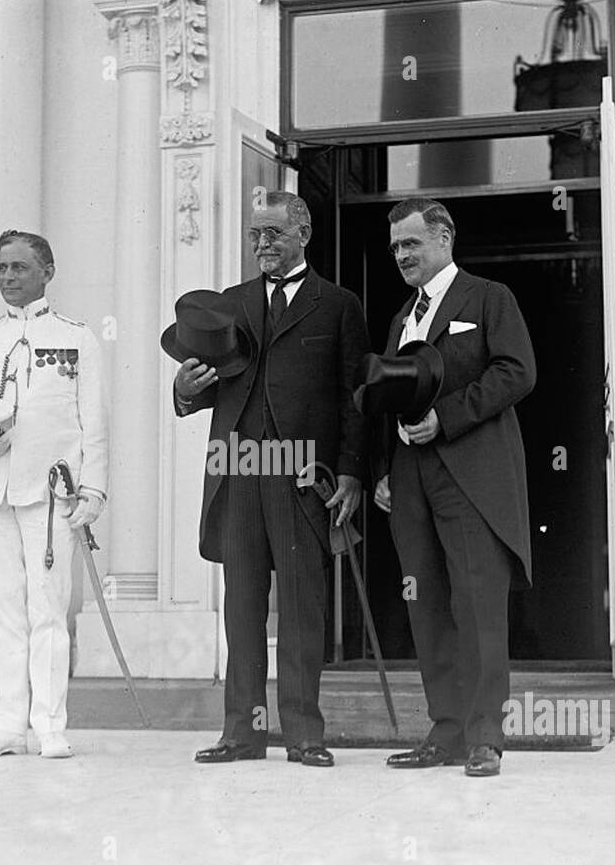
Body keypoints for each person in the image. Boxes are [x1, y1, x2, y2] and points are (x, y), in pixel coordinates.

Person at [172, 191, 370, 767]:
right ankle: (243, 733)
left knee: (306, 612)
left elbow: (354, 399)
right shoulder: (228, 305)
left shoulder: (338, 305)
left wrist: (353, 474)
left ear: (303, 233)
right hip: (238, 477)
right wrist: (184, 390)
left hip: (304, 480)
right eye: (256, 235)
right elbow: (207, 384)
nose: (262, 245)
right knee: (243, 611)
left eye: (274, 235)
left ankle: (305, 735)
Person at [371, 198, 536, 777]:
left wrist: (449, 416)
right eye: (395, 247)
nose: (400, 255)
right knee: (426, 605)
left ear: (443, 239)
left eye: (410, 244)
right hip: (413, 480)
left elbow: (517, 371)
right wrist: (388, 467)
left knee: (477, 605)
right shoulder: (400, 319)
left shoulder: (488, 298)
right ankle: (445, 732)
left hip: (472, 477)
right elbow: (395, 397)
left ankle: (485, 736)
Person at [0, 229, 108, 760]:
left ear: (47, 272)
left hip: (49, 492)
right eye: (1, 268)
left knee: (47, 610)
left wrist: (93, 489)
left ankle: (49, 725)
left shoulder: (77, 337)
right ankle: (6, 725)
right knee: (1, 612)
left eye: (19, 267)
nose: (8, 277)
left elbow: (93, 422)